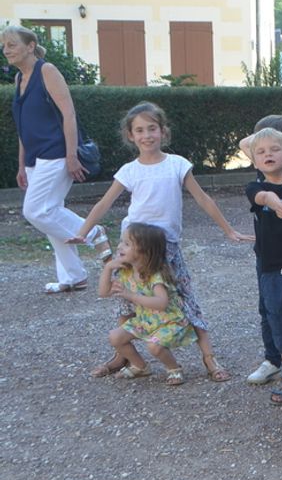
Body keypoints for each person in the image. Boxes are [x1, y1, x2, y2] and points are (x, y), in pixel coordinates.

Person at [72, 103, 251, 381]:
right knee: (124, 301)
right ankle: (123, 356)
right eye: (140, 130)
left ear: (163, 131)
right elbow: (104, 202)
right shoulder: (129, 170)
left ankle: (209, 358)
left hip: (166, 246)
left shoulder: (177, 164)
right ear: (130, 135)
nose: (147, 135)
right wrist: (83, 231)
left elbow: (203, 199)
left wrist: (228, 230)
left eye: (152, 129)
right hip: (132, 248)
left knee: (186, 299)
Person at [4, 24, 107, 293]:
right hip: (34, 159)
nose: (6, 50)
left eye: (11, 44)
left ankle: (93, 232)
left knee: (35, 210)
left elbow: (69, 114)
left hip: (56, 153)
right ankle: (73, 276)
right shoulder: (19, 79)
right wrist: (22, 164)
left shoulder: (47, 71)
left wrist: (71, 155)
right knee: (49, 213)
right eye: (3, 46)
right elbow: (23, 127)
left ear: (30, 46)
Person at [240, 114, 282, 387]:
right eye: (261, 150)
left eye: (274, 148)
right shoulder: (257, 183)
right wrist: (275, 201)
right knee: (271, 311)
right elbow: (263, 196)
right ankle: (276, 359)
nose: (267, 154)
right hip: (269, 262)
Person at [97, 223, 196, 385]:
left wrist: (131, 296)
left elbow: (161, 303)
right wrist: (107, 268)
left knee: (154, 346)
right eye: (121, 242)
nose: (120, 246)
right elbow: (103, 293)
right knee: (115, 337)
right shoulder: (126, 271)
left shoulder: (155, 275)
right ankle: (140, 366)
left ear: (144, 251)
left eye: (127, 244)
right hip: (145, 320)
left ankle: (174, 369)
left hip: (168, 321)